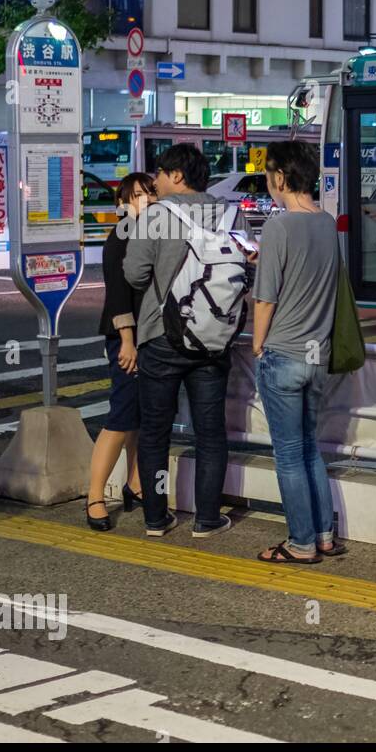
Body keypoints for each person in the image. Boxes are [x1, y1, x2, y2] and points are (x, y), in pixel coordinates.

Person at [125, 144, 248, 539]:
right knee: (210, 432)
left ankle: (156, 517)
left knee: (156, 431)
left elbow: (134, 275)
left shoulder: (156, 215)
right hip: (214, 337)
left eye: (159, 173)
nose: (155, 181)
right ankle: (207, 518)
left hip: (162, 335)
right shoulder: (232, 212)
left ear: (177, 175)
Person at [251, 141, 342, 565]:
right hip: (317, 355)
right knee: (309, 448)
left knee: (288, 453)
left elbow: (265, 297)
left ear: (281, 178)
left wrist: (256, 342)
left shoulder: (279, 226)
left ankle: (301, 543)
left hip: (283, 353)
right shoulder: (326, 224)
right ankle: (323, 535)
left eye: (270, 173)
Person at [85, 173, 155, 532]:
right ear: (122, 204)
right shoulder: (119, 241)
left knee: (139, 417)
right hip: (124, 337)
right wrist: (127, 340)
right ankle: (95, 496)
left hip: (145, 337)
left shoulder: (146, 236)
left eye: (150, 193)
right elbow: (117, 297)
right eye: (139, 195)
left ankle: (136, 485)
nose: (146, 200)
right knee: (121, 417)